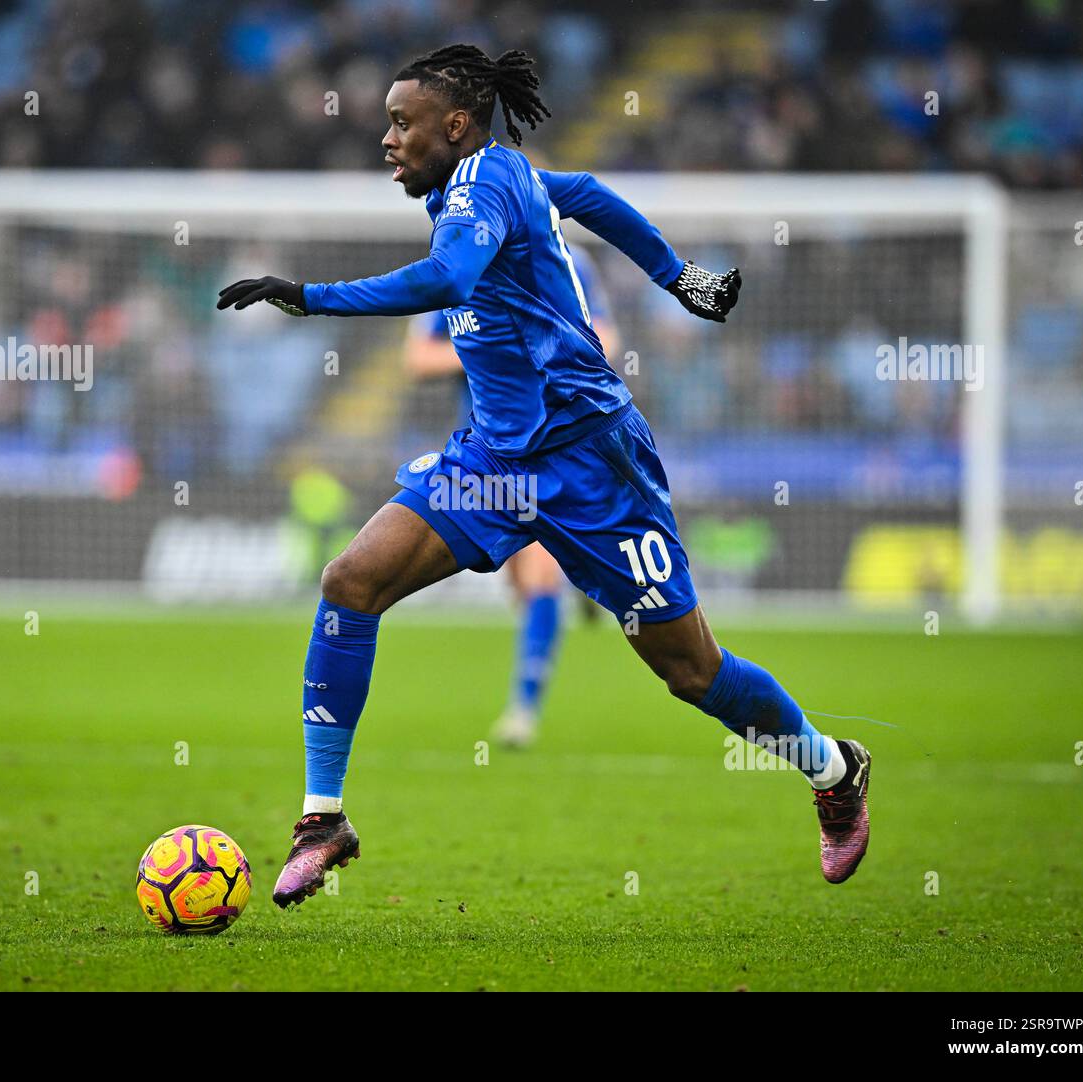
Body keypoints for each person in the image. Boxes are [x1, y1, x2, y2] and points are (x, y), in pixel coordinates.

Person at [216, 44, 871, 908]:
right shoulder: (483, 181)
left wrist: (308, 296)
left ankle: (832, 768)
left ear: (454, 125)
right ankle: (323, 818)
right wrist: (679, 278)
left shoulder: (484, 185)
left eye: (401, 122)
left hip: (592, 460)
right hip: (492, 462)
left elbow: (449, 276)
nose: (386, 139)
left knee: (692, 673)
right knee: (351, 581)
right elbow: (590, 194)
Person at [402, 242, 620, 748]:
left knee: (541, 570)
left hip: (557, 445)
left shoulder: (568, 260)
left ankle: (523, 711)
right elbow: (417, 358)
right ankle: (586, 579)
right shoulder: (455, 266)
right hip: (486, 451)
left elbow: (605, 337)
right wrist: (493, 345)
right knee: (524, 585)